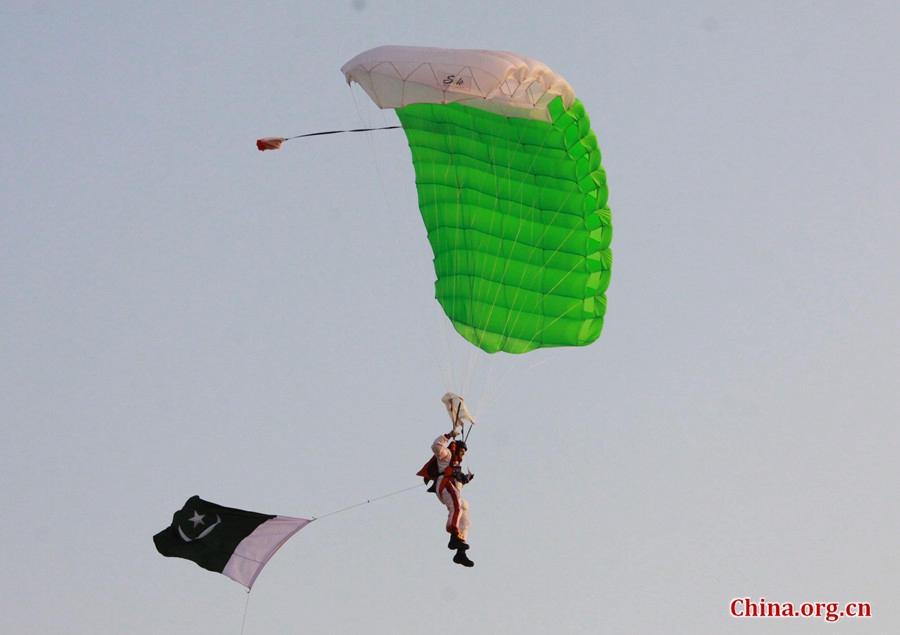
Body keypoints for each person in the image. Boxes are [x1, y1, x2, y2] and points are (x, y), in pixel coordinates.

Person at [430, 428, 475, 567]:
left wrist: (465, 479)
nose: (463, 454)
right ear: (457, 449)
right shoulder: (447, 455)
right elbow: (436, 446)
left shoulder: (456, 466)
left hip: (452, 489)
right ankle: (454, 535)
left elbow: (458, 484)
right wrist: (448, 435)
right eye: (462, 451)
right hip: (445, 485)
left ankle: (461, 553)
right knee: (456, 508)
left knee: (465, 520)